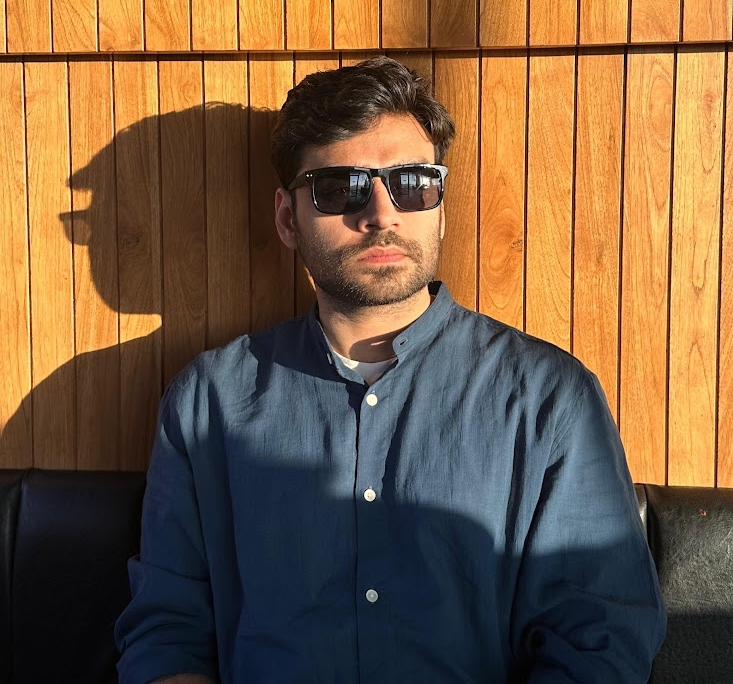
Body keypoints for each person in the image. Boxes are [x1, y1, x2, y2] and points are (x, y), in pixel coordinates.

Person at [114, 56, 667, 684]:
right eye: (340, 188)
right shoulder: (208, 401)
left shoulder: (548, 400)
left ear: (440, 206)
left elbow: (598, 643)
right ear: (287, 218)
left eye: (412, 183)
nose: (381, 214)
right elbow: (168, 634)